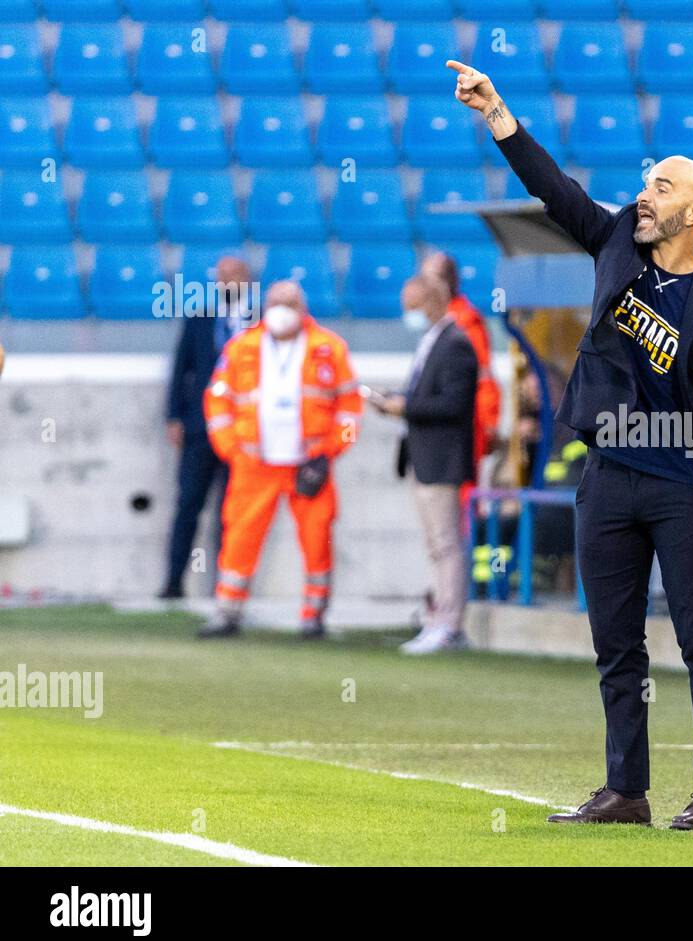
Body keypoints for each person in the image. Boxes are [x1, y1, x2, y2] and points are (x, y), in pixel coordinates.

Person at [448, 59, 693, 830]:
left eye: (662, 189)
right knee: (616, 644)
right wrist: (499, 115)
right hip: (609, 474)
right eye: (647, 186)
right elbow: (553, 191)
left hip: (686, 483)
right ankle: (626, 790)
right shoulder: (615, 240)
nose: (643, 196)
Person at [200, 281, 362, 640]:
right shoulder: (242, 347)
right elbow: (217, 399)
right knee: (240, 536)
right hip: (255, 463)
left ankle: (313, 615)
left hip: (310, 464)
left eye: (289, 303)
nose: (281, 309)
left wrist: (333, 450)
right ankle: (227, 612)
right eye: (275, 302)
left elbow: (351, 409)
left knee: (318, 537)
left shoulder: (329, 348)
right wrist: (230, 448)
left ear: (303, 308)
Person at [374, 275, 479, 654]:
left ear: (434, 301)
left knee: (446, 544)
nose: (408, 313)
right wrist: (395, 401)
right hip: (424, 459)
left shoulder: (457, 344)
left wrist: (404, 406)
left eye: (413, 305)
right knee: (437, 544)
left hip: (442, 460)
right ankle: (437, 618)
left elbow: (454, 405)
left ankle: (449, 624)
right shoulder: (433, 340)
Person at [159, 255, 253, 599]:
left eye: (235, 275)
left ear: (247, 279)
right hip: (200, 429)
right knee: (188, 505)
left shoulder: (260, 322)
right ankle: (173, 581)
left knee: (233, 512)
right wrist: (174, 416)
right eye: (223, 277)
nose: (228, 282)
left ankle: (226, 585)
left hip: (243, 433)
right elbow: (180, 369)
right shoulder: (200, 318)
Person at [419, 251, 501, 484]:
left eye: (430, 279)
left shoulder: (465, 323)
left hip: (464, 427)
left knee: (461, 502)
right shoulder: (441, 321)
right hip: (445, 429)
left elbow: (482, 378)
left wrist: (487, 425)